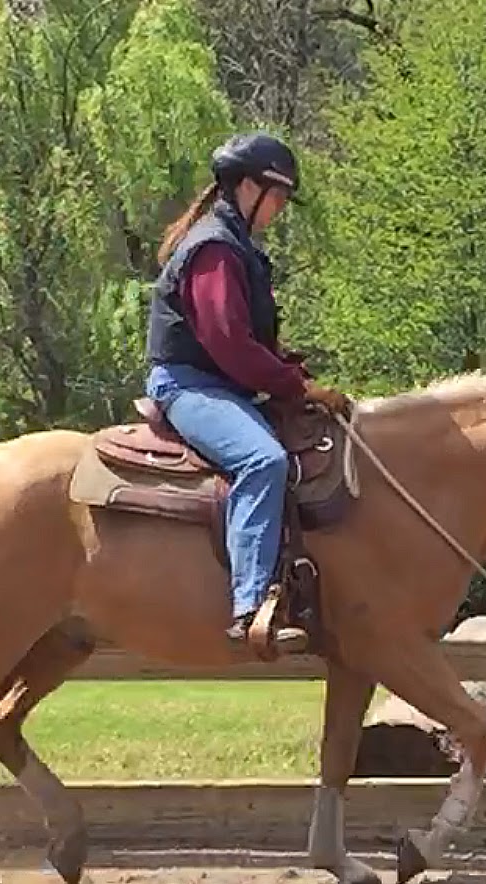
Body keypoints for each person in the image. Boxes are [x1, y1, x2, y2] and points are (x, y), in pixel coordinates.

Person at [144, 131, 351, 653]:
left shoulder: (235, 247)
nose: (280, 206)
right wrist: (295, 385)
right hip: (189, 385)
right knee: (263, 460)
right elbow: (229, 342)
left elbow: (248, 345)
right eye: (277, 194)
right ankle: (251, 605)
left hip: (220, 385)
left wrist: (295, 378)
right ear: (247, 187)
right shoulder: (215, 249)